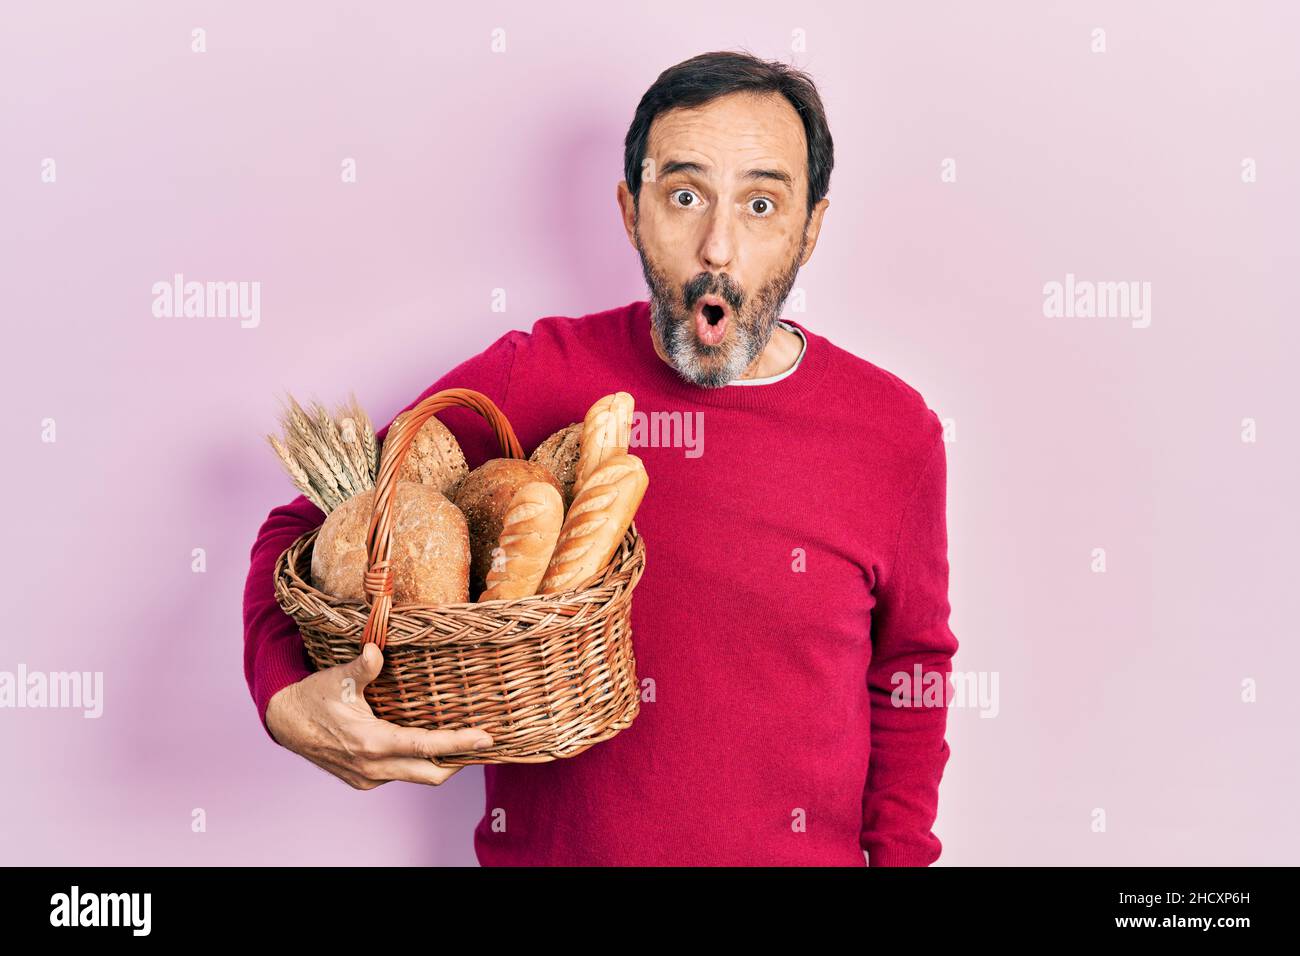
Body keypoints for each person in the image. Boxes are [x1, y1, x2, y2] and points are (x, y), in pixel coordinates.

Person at [243, 49, 958, 866]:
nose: (718, 247)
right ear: (630, 210)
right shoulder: (531, 378)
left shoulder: (893, 433)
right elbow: (307, 524)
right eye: (684, 196)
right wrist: (283, 697)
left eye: (761, 204)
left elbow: (911, 671)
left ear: (810, 229)